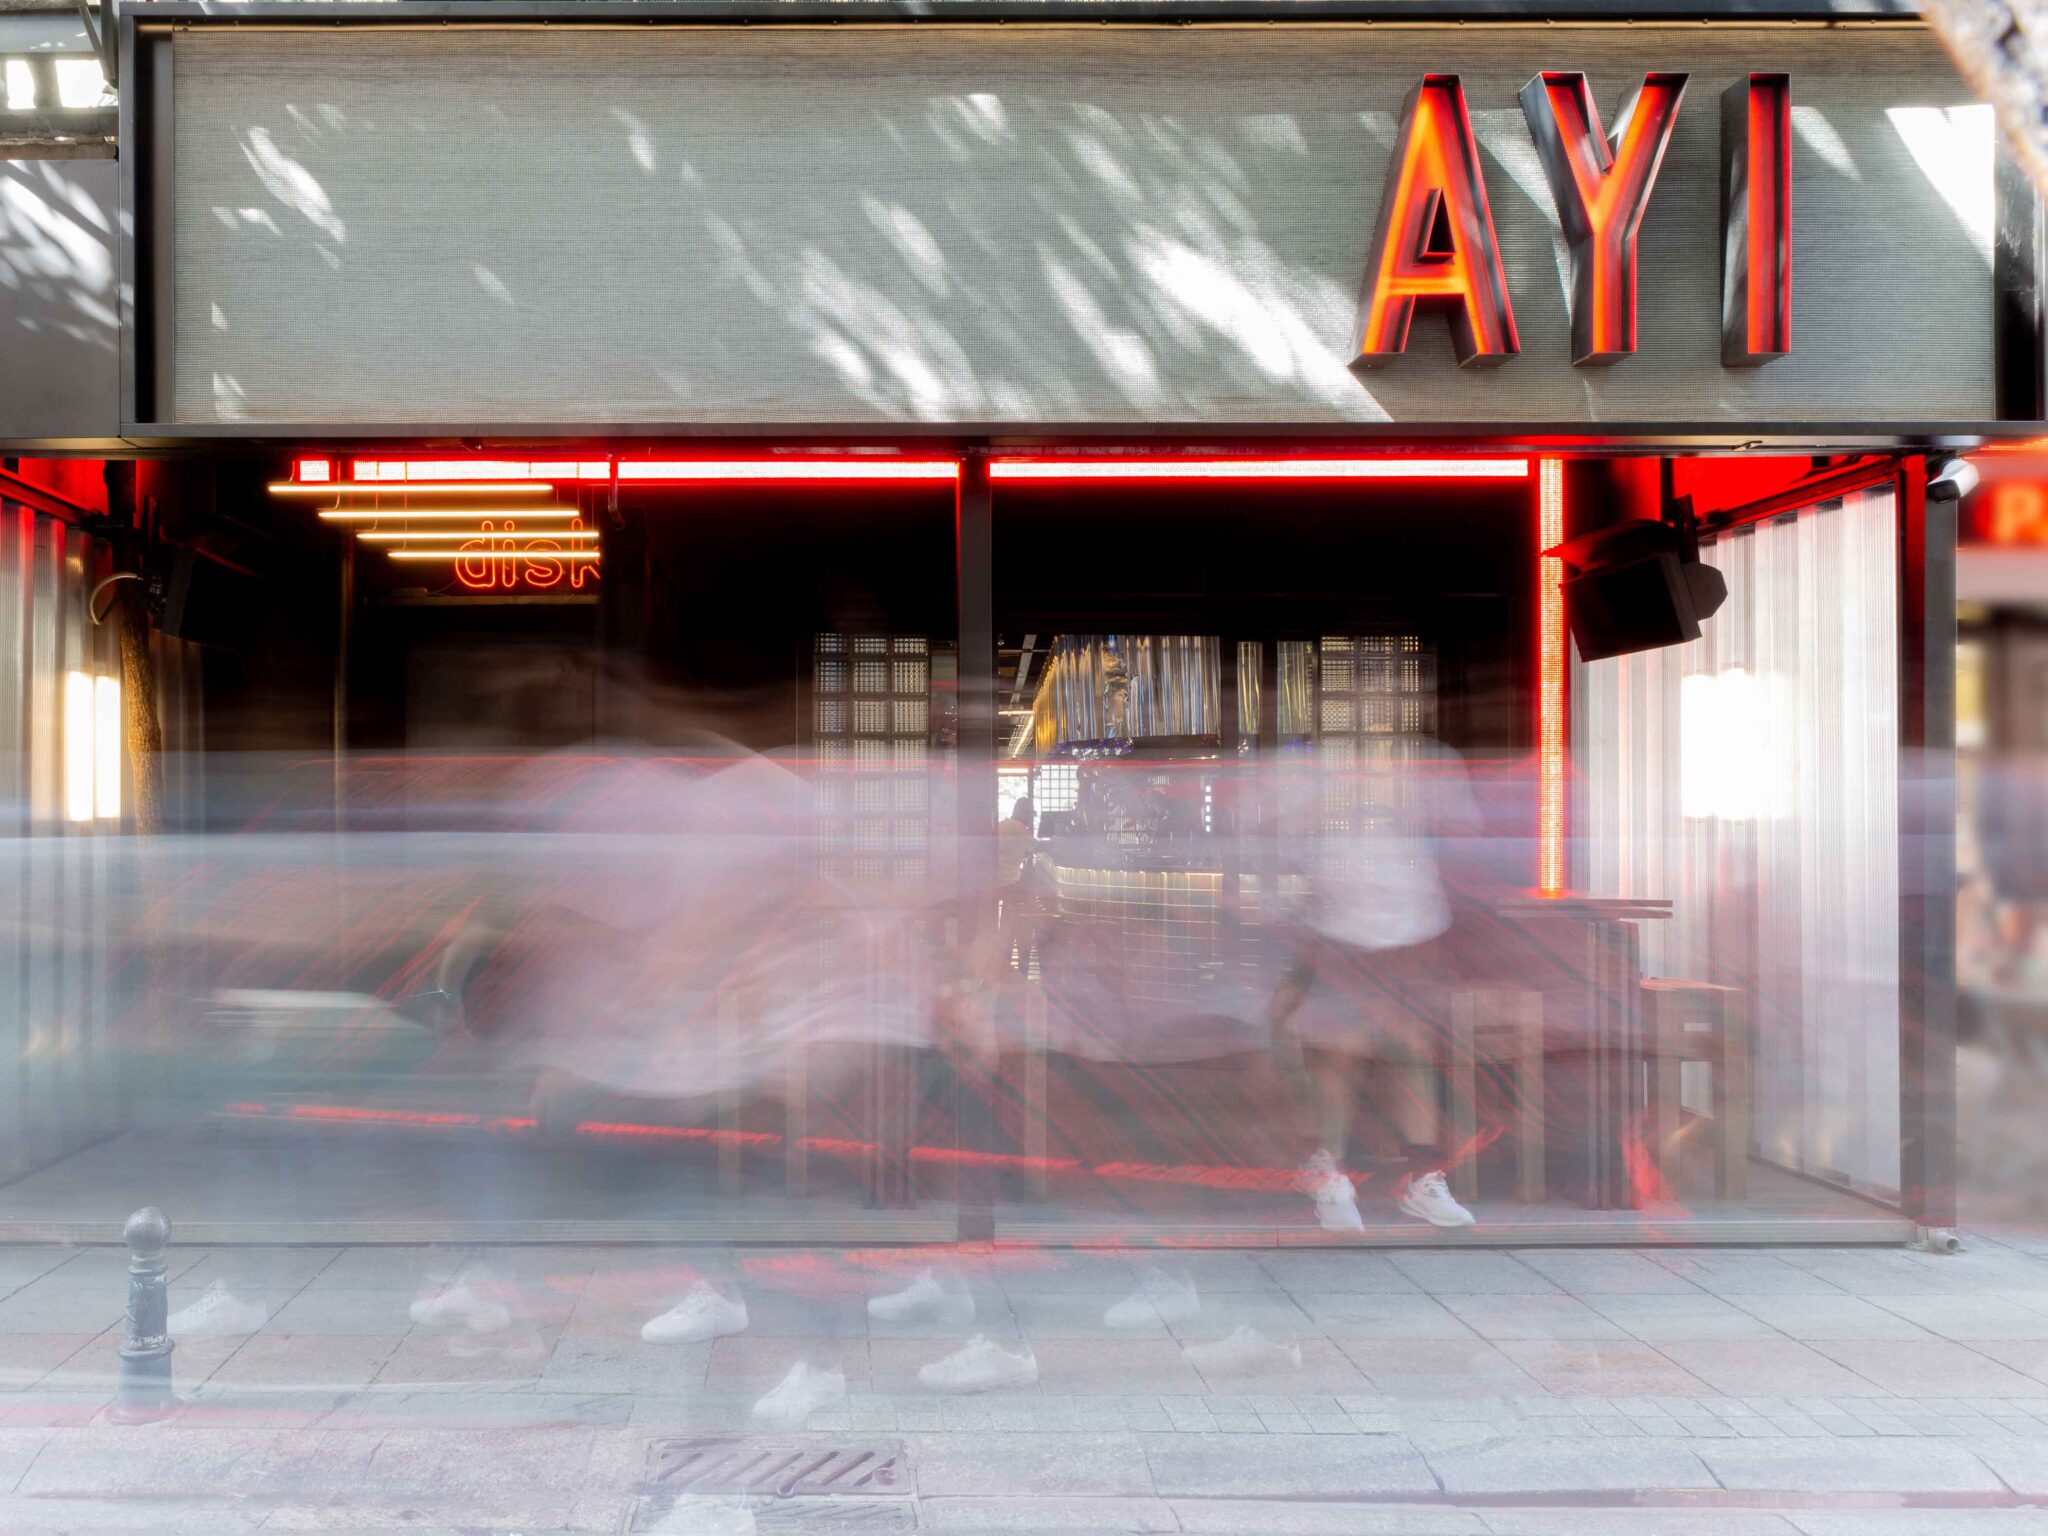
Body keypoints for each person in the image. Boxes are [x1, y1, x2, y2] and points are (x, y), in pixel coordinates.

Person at [1266, 739, 1481, 1231]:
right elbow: (1281, 846)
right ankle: (1330, 1176)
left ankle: (1419, 1175)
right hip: (1336, 936)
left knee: (1409, 1051)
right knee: (1339, 1053)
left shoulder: (1428, 760)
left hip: (1410, 934)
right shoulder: (1310, 769)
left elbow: (1465, 832)